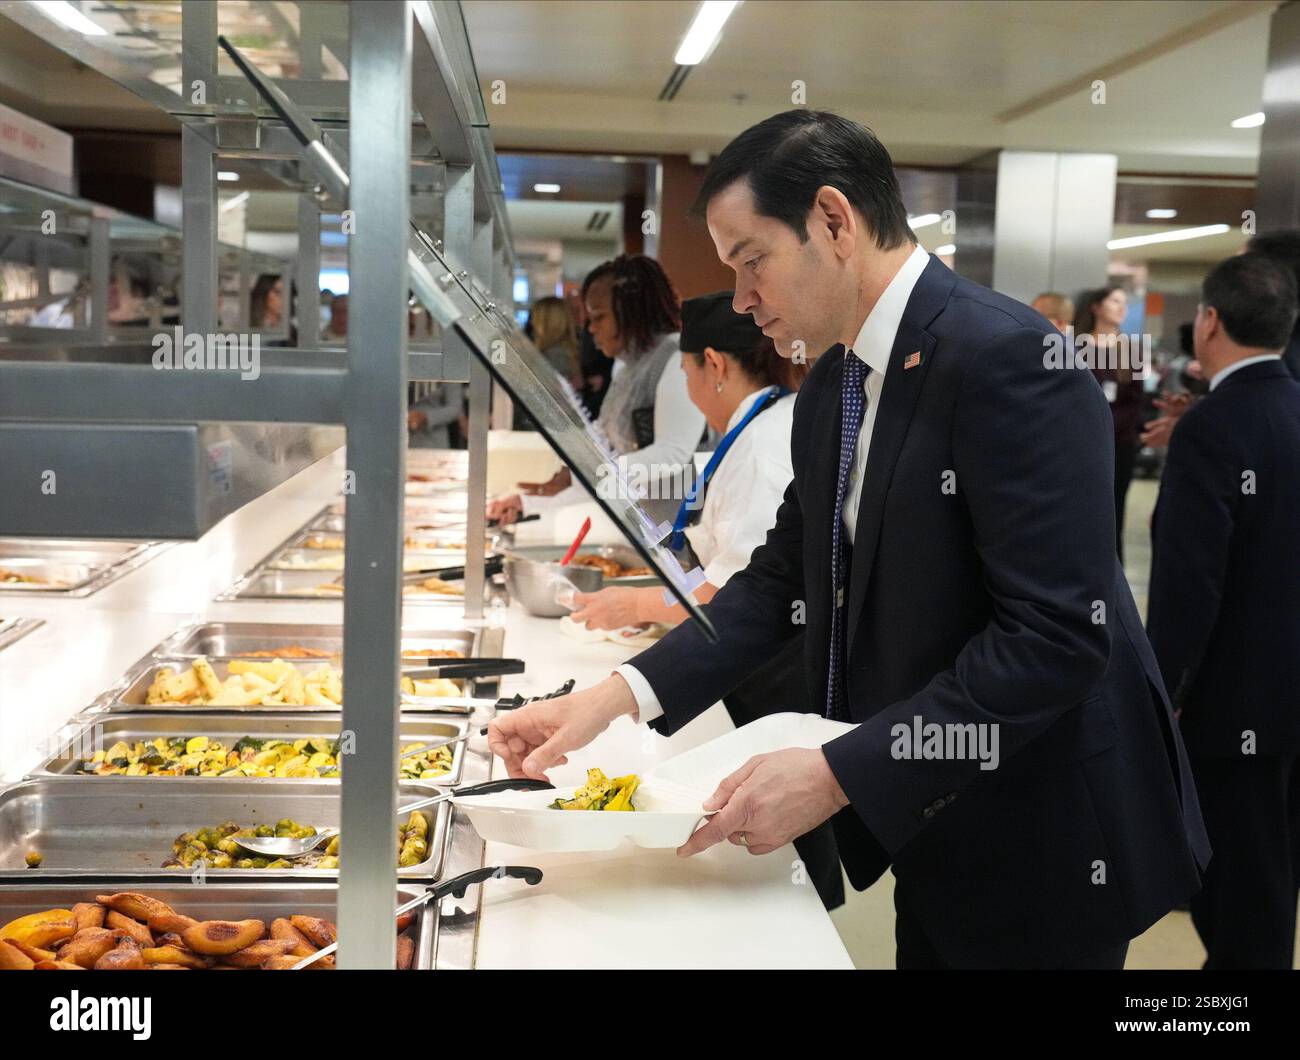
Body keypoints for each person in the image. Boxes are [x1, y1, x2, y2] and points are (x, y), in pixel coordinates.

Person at [488, 109, 1208, 969]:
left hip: (1043, 819)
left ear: (834, 221)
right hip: (933, 806)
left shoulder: (1008, 359)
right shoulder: (836, 379)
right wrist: (611, 699)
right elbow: (784, 578)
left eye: (752, 261)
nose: (743, 299)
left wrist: (839, 772)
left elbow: (1055, 638)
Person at [567, 292, 842, 910]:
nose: (686, 383)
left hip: (772, 677)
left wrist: (634, 607)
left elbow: (753, 586)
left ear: (713, 365)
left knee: (786, 864)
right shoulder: (755, 426)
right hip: (743, 665)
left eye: (685, 370)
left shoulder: (769, 443)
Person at [1146, 254, 1300, 969]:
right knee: (1273, 872)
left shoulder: (1212, 427)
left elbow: (1189, 586)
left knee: (1242, 904)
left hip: (1232, 702)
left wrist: (1163, 693)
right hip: (1287, 703)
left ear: (1209, 321)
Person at [489, 255, 706, 524]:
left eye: (599, 317)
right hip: (634, 520)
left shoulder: (675, 360)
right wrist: (540, 496)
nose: (590, 328)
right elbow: (605, 445)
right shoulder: (624, 364)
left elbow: (673, 453)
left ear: (632, 312)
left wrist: (595, 473)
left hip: (674, 528)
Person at [1074, 286, 1142, 561]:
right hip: (1081, 444)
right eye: (1115, 301)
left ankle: (1114, 572)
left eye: (1124, 302)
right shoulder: (1074, 346)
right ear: (1096, 307)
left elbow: (1136, 402)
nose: (1121, 307)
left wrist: (1107, 428)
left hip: (1120, 444)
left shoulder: (1131, 349)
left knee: (1114, 511)